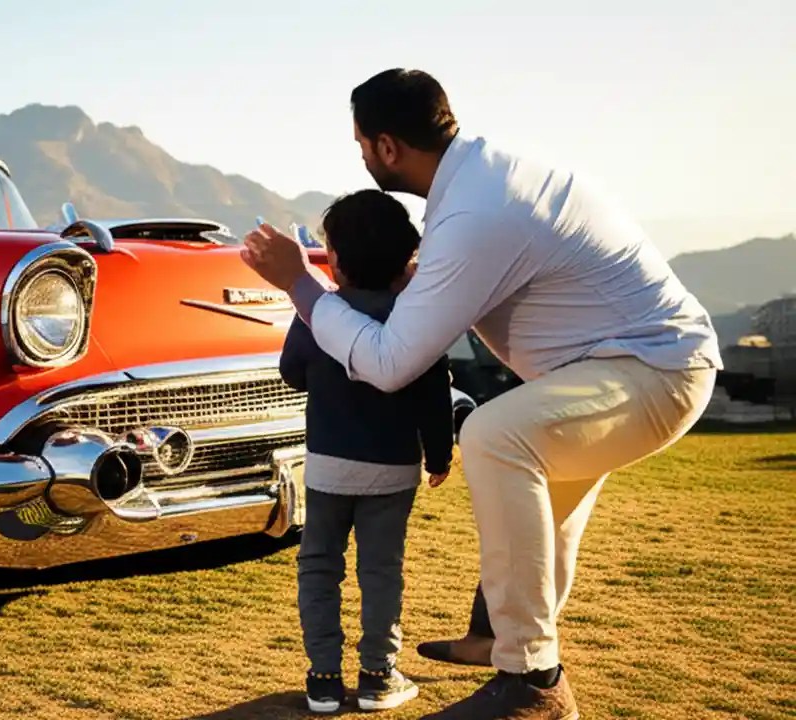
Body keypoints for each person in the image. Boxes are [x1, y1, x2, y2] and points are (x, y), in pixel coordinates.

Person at [241, 69, 720, 719]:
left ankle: (533, 682)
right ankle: (498, 634)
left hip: (653, 368)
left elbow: (389, 363)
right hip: (626, 367)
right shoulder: (482, 184)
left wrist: (299, 285)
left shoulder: (474, 212)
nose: (358, 156)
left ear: (386, 147)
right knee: (548, 501)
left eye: (359, 144)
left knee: (495, 433)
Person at [279, 189, 454, 713]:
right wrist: (440, 456)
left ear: (334, 259)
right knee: (381, 569)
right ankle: (379, 674)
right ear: (406, 258)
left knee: (319, 565)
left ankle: (324, 678)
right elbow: (435, 393)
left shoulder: (320, 312)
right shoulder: (414, 316)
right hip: (394, 470)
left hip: (328, 464)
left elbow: (292, 373)